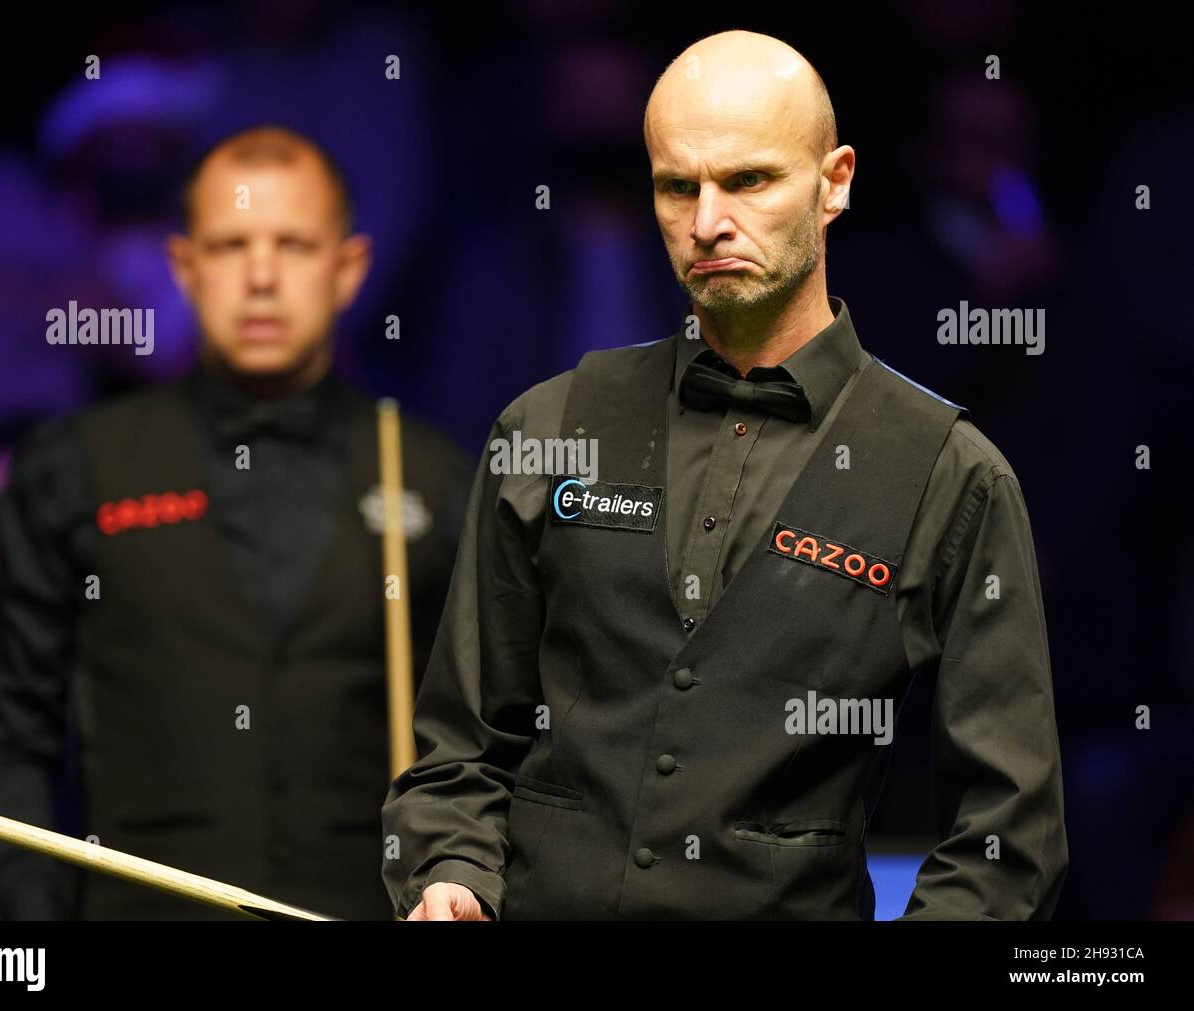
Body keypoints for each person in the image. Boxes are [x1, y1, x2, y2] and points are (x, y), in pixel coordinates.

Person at [381, 32, 1067, 921]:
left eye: (748, 181)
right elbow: (458, 755)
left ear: (835, 181)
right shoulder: (546, 429)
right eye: (677, 186)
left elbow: (1007, 842)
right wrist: (451, 875)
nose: (707, 221)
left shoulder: (951, 473)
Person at [0, 126, 471, 920]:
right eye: (231, 246)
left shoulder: (436, 476)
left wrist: (460, 884)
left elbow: (482, 748)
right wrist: (38, 915)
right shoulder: (76, 464)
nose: (261, 276)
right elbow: (2, 728)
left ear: (348, 270)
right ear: (185, 267)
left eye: (294, 245)